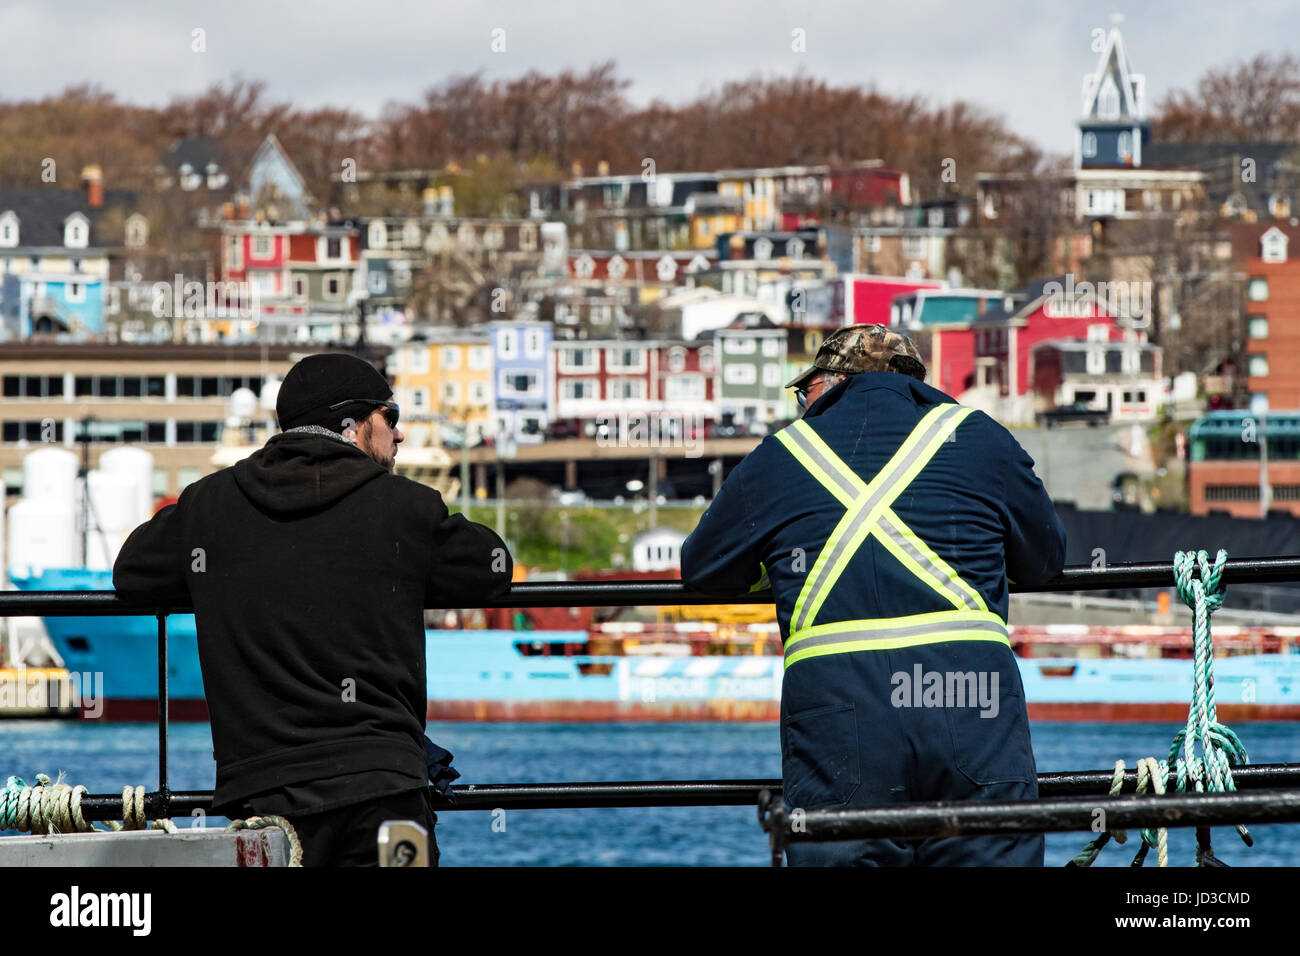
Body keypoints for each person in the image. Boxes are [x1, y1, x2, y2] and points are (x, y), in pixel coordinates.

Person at [680, 325, 1065, 866]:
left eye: (803, 391)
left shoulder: (781, 454)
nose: (801, 405)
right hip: (971, 701)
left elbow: (703, 569)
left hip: (840, 713)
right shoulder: (982, 438)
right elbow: (1045, 562)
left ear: (832, 383)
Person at [113, 352, 514, 866]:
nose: (400, 435)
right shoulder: (404, 507)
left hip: (264, 800)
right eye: (390, 418)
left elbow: (132, 573)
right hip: (385, 793)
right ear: (354, 424)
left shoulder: (209, 506)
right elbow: (494, 568)